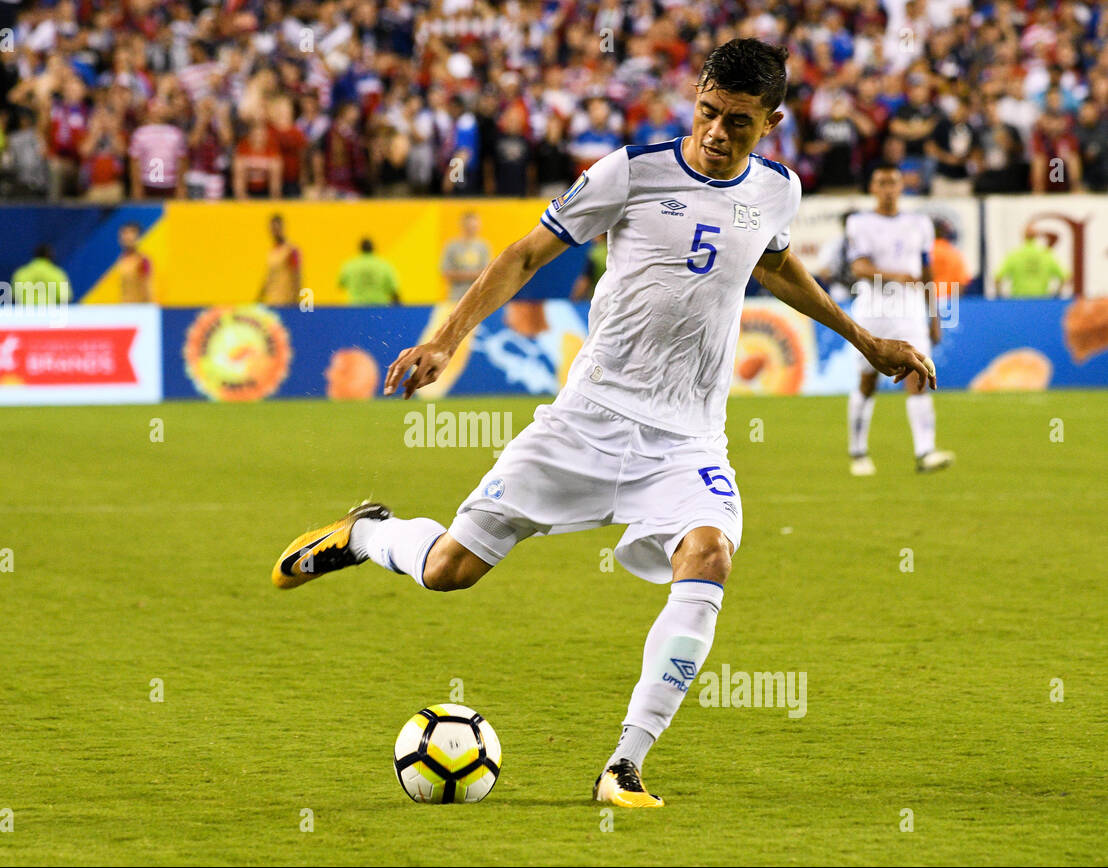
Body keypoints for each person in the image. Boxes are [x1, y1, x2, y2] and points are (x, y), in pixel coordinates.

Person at [271, 40, 935, 808]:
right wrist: (445, 341)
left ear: (773, 122)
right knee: (450, 569)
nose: (718, 133)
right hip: (586, 420)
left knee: (711, 553)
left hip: (687, 439)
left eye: (740, 123)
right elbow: (524, 256)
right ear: (696, 95)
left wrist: (864, 340)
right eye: (709, 112)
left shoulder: (778, 191)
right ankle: (366, 534)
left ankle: (624, 764)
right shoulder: (632, 170)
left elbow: (776, 265)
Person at [845, 163, 955, 477]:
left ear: (901, 187)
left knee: (919, 374)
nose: (889, 188)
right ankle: (858, 451)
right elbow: (859, 268)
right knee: (868, 382)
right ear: (872, 187)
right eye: (882, 182)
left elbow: (927, 271)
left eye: (893, 182)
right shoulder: (859, 223)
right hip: (873, 311)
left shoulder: (920, 223)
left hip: (909, 312)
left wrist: (935, 316)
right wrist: (896, 276)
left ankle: (925, 451)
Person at [994, 227, 1068, 298]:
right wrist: (1056, 295)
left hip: (1018, 302)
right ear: (1036, 237)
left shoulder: (1014, 255)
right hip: (1042, 302)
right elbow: (1064, 277)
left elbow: (997, 278)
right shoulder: (1046, 255)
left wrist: (1000, 297)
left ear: (1023, 236)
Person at [440, 212, 490, 302]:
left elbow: (486, 274)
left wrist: (460, 274)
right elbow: (446, 273)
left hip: (477, 298)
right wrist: (473, 274)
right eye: (471, 227)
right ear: (463, 226)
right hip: (455, 298)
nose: (474, 229)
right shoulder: (452, 246)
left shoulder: (483, 246)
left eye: (475, 226)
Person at [337, 237, 400, 306]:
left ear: (360, 248)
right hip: (379, 309)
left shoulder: (349, 265)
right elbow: (394, 289)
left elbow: (341, 285)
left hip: (356, 308)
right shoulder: (384, 265)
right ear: (373, 248)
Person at [259, 214, 301, 306]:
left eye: (277, 228)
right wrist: (260, 297)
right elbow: (269, 277)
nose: (275, 232)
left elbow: (297, 277)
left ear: (282, 228)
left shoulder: (291, 250)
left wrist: (295, 300)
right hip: (271, 301)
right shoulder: (272, 252)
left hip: (286, 302)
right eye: (273, 229)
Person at [115, 222, 153, 303]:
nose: (127, 237)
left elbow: (149, 288)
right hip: (125, 309)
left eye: (131, 234)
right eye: (125, 234)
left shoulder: (142, 260)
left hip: (139, 309)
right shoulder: (121, 260)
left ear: (138, 238)